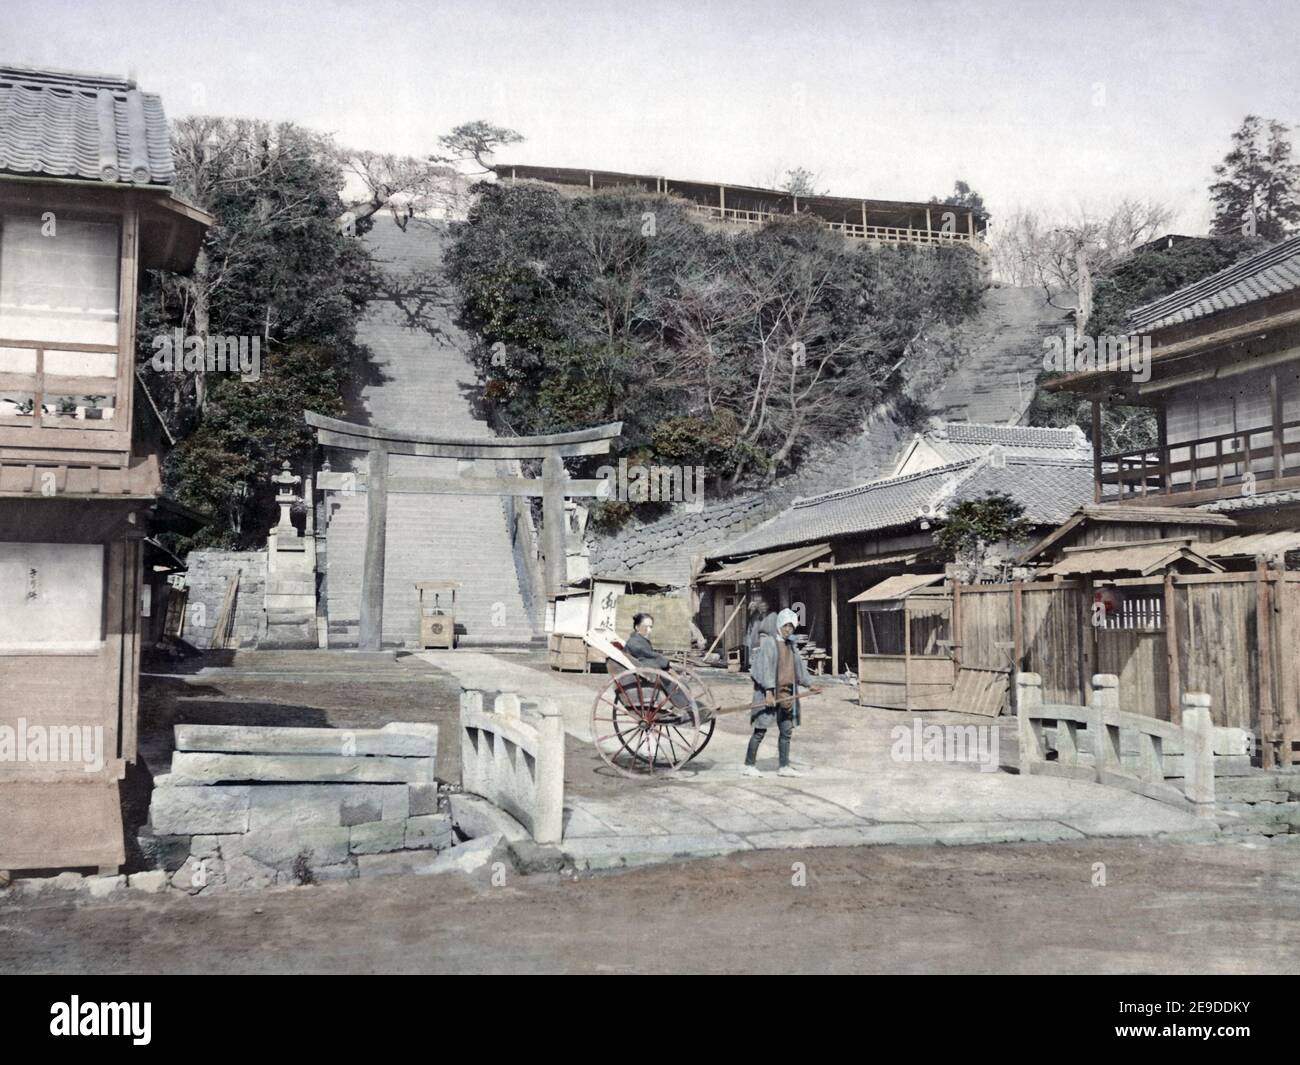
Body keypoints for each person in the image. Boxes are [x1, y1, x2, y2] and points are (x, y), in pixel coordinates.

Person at [744, 607, 814, 777]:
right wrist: (768, 692)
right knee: (760, 730)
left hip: (787, 693)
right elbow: (765, 668)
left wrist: (809, 684)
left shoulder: (791, 645)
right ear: (779, 625)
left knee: (786, 730)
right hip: (769, 693)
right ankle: (749, 765)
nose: (788, 630)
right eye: (786, 626)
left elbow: (798, 667)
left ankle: (784, 766)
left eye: (791, 627)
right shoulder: (768, 642)